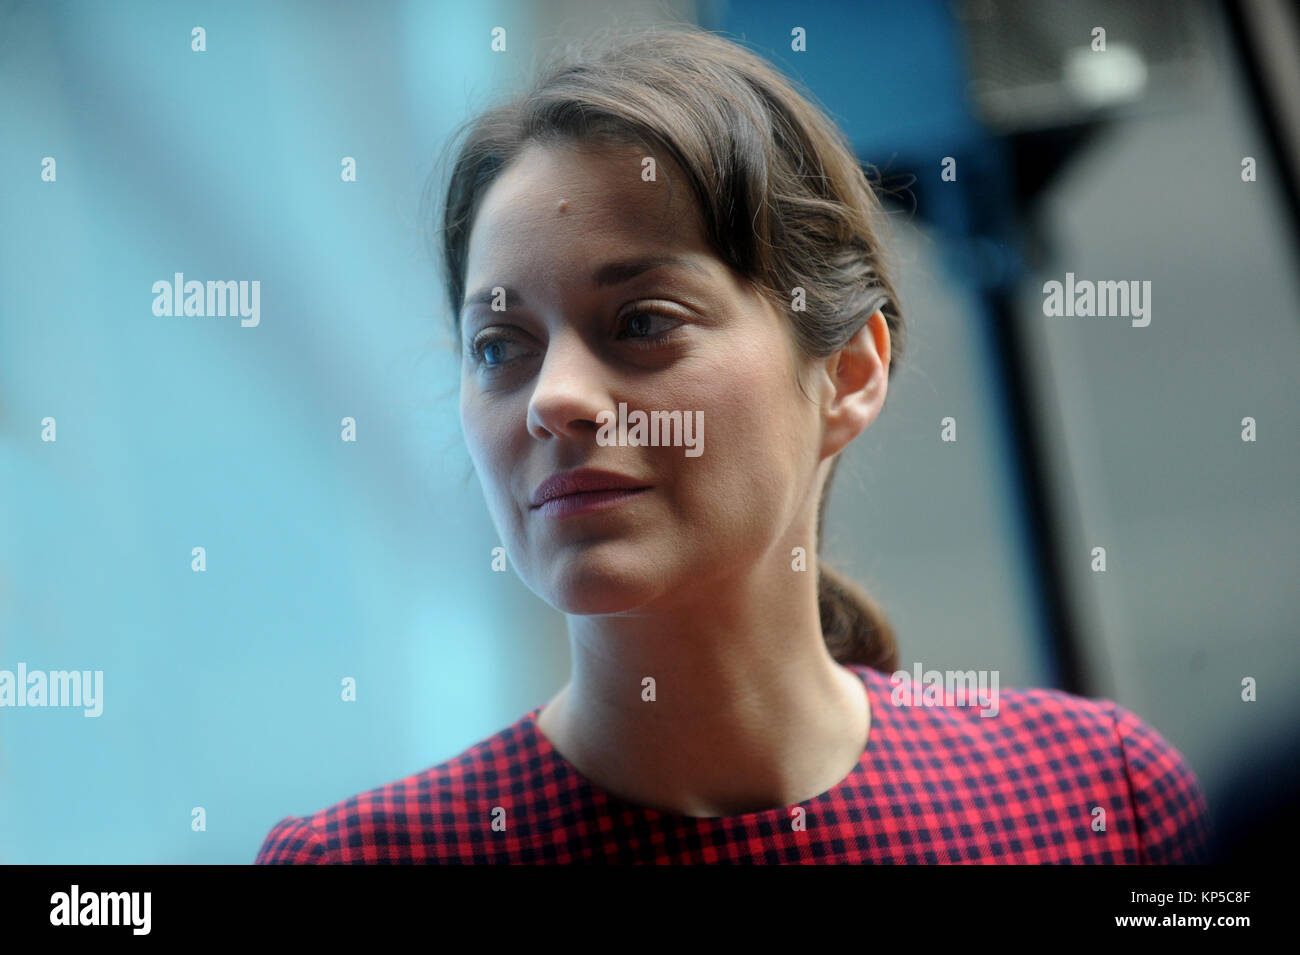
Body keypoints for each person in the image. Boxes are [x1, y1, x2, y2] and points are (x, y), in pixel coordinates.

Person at [255, 23, 1211, 864]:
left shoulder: (1098, 801)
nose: (556, 399)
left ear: (848, 371)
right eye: (500, 346)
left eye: (642, 320)